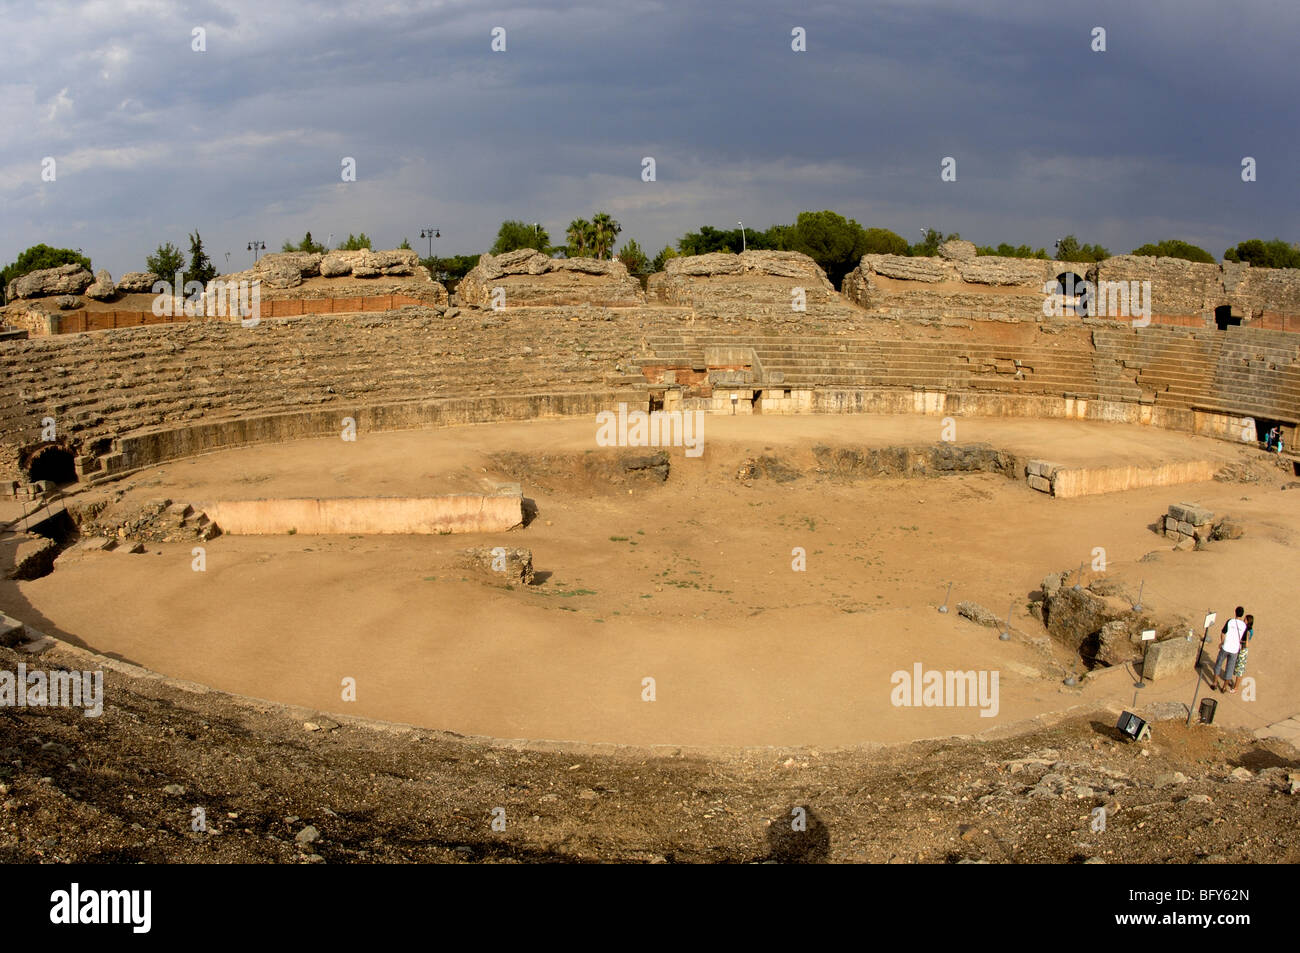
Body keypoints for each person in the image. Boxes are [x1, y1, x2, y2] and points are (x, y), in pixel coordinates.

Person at [1213, 606, 1247, 694]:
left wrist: (1222, 642)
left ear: (1235, 612)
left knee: (1219, 664)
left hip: (1225, 647)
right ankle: (1224, 687)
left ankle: (1215, 682)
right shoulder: (1244, 626)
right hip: (1234, 650)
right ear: (1242, 614)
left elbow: (1223, 633)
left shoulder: (1230, 621)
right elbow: (1243, 640)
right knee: (1230, 668)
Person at [1231, 614, 1254, 691]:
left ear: (1248, 621)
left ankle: (1236, 687)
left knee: (1239, 670)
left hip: (1242, 651)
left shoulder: (1248, 631)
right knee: (1236, 667)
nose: (1244, 620)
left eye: (1245, 619)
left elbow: (1246, 643)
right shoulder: (1249, 630)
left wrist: (1239, 641)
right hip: (1241, 649)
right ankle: (1234, 684)